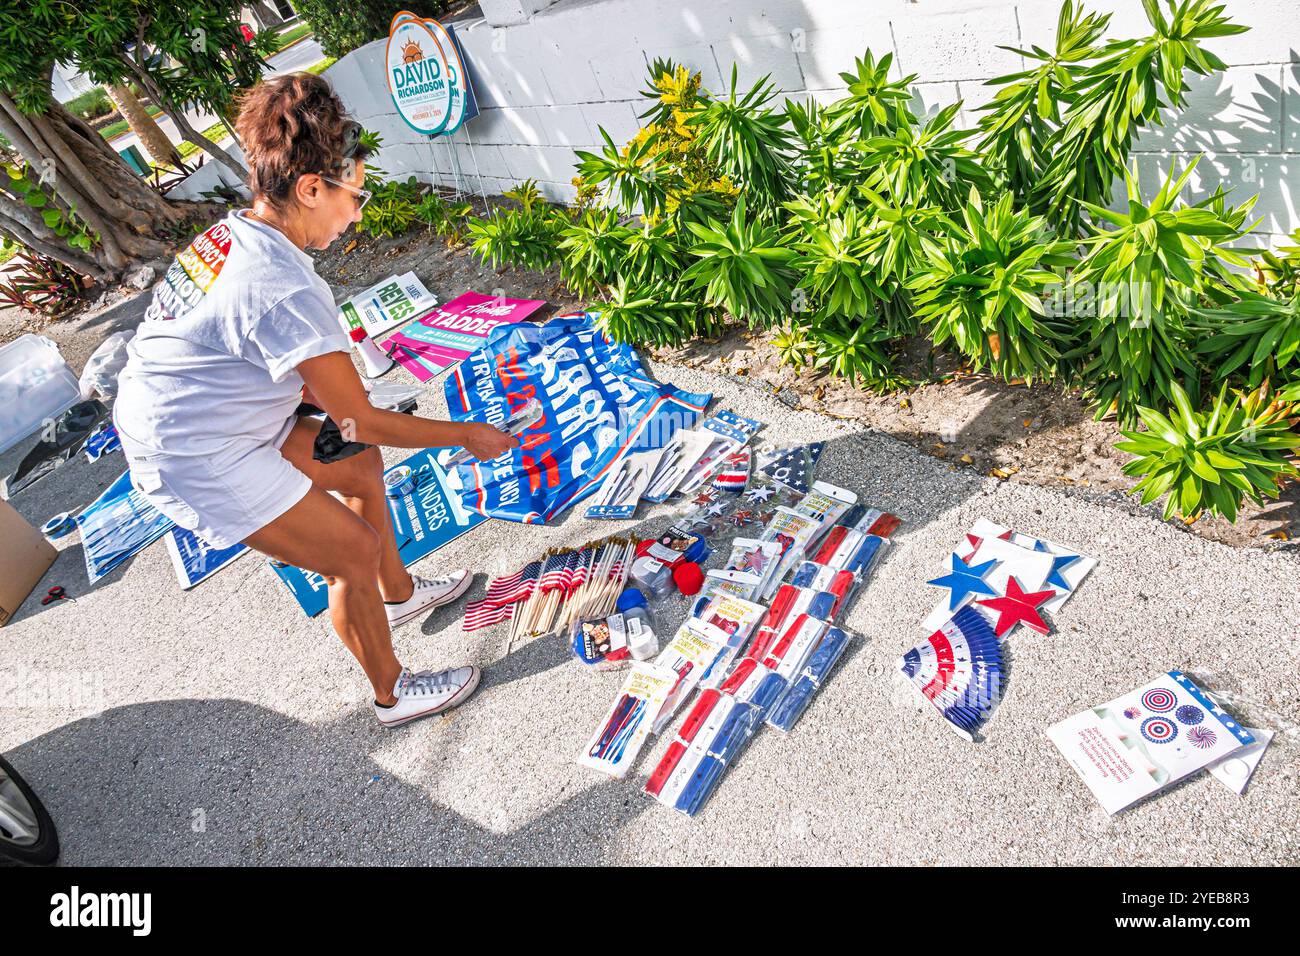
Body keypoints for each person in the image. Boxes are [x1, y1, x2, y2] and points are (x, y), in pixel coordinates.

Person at [112, 73, 517, 728]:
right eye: (352, 195)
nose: (357, 212)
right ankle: (392, 694)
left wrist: (343, 403)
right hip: (192, 450)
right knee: (348, 549)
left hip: (207, 413)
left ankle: (399, 593)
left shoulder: (239, 233)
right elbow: (359, 417)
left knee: (358, 466)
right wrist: (466, 435)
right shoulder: (280, 285)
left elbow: (291, 380)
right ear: (308, 189)